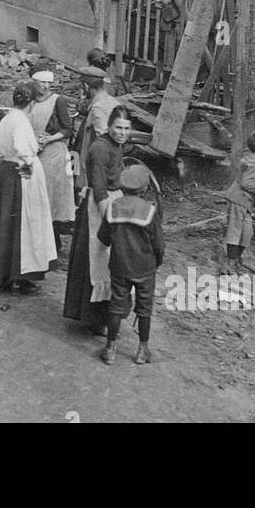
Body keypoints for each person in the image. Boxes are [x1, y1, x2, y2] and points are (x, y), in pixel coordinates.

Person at [63, 106, 132, 333]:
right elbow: (100, 186)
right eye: (118, 127)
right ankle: (93, 318)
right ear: (109, 127)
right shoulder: (100, 148)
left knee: (111, 261)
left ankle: (105, 316)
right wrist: (110, 220)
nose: (122, 132)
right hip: (98, 206)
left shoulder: (117, 145)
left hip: (115, 198)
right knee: (98, 258)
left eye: (126, 128)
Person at [0, 82, 57, 292]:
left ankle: (5, 273)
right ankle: (19, 274)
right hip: (20, 174)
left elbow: (0, 150)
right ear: (32, 103)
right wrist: (27, 162)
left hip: (6, 171)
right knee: (24, 225)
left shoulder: (6, 118)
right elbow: (21, 146)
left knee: (6, 223)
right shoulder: (21, 122)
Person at [97, 163, 164, 365]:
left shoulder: (112, 207)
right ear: (144, 189)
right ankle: (142, 350)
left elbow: (104, 238)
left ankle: (110, 349)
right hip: (145, 268)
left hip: (119, 266)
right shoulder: (150, 211)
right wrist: (156, 263)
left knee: (116, 305)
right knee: (144, 309)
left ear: (121, 187)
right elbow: (159, 245)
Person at [29, 65, 76, 259]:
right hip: (34, 151)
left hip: (54, 154)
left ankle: (54, 242)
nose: (46, 86)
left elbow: (67, 129)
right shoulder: (29, 100)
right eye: (42, 82)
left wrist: (48, 139)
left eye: (49, 83)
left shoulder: (58, 101)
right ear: (34, 82)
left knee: (53, 198)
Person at [222, 129, 255, 274]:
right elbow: (246, 183)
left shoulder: (254, 159)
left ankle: (237, 259)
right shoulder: (254, 163)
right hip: (238, 199)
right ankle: (230, 263)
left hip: (246, 202)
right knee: (235, 230)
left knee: (248, 233)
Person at [152, 0, 187, 91]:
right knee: (163, 58)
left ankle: (168, 83)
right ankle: (162, 82)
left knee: (171, 59)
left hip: (174, 31)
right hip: (165, 30)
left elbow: (184, 15)